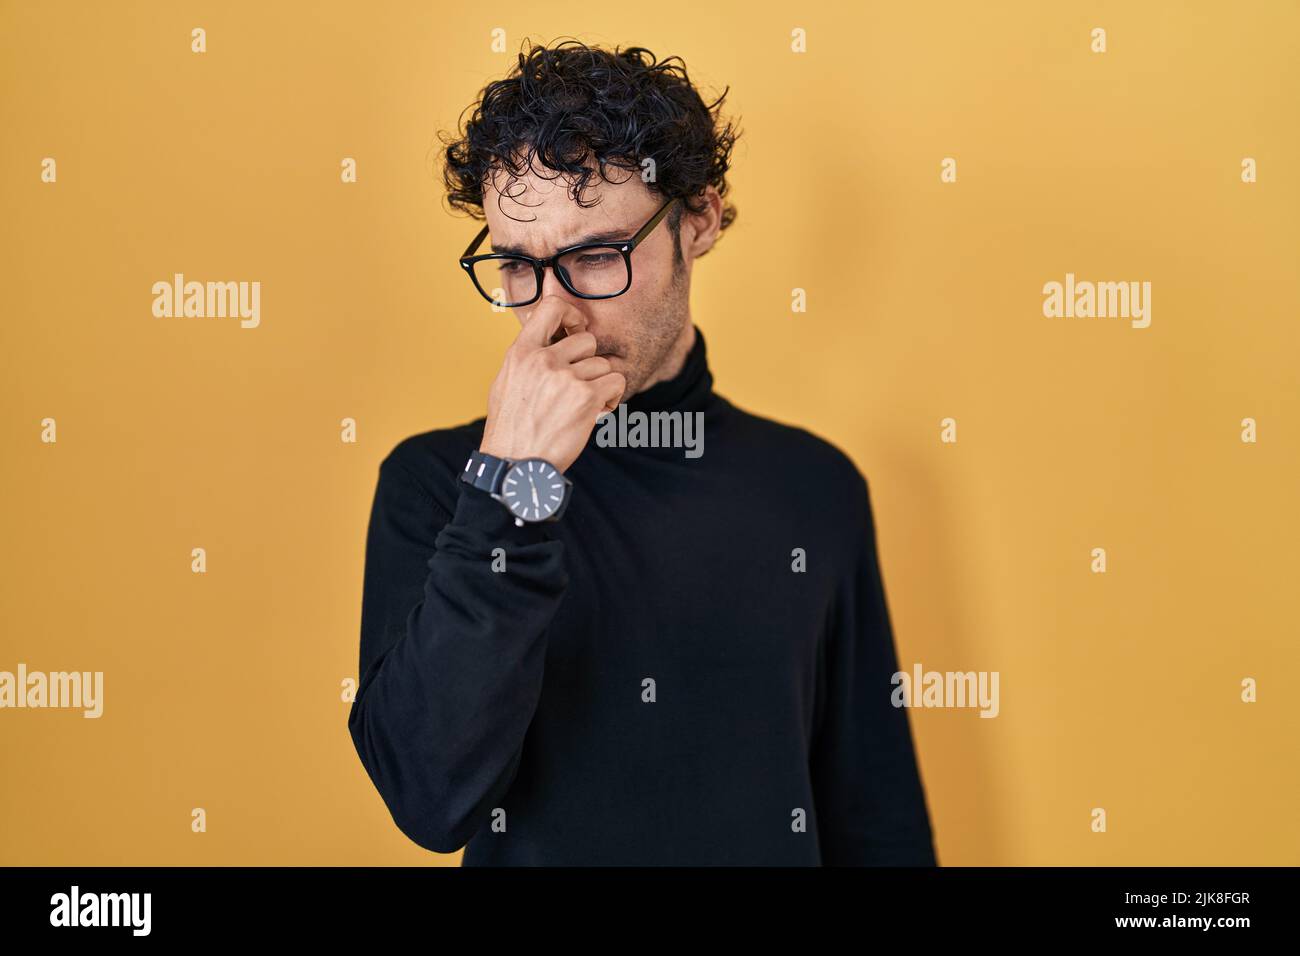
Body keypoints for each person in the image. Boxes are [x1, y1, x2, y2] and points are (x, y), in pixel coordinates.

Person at [347, 38, 938, 865]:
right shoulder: (440, 485)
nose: (552, 316)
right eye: (516, 266)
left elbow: (876, 821)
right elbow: (427, 798)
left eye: (596, 257)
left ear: (699, 220)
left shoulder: (814, 487)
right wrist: (511, 484)